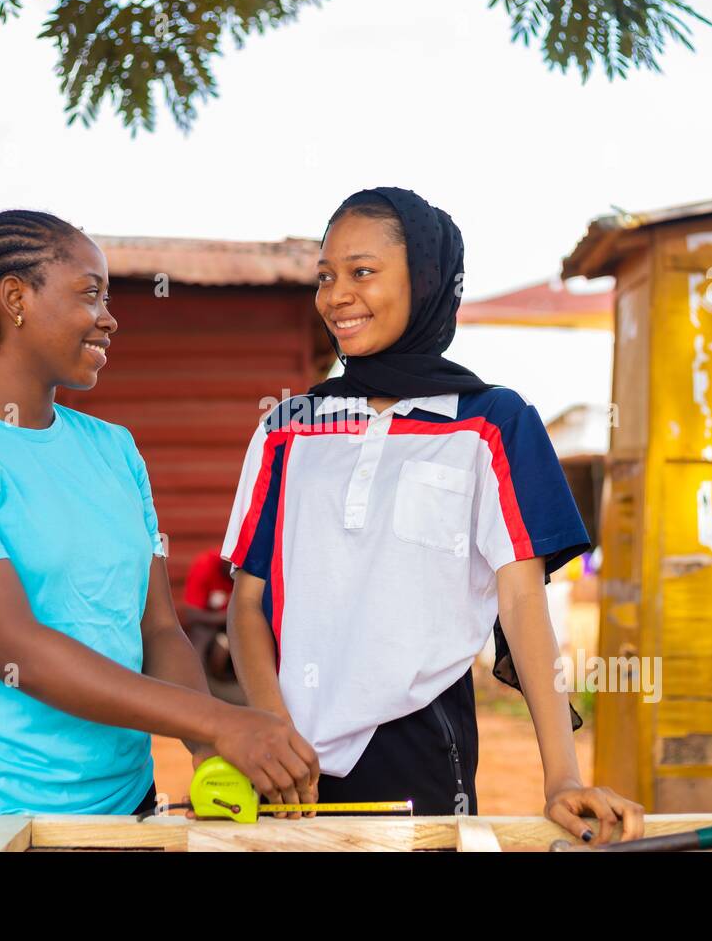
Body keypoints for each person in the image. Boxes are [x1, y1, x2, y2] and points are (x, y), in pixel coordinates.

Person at [0, 209, 318, 846]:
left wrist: (204, 748)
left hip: (123, 808)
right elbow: (16, 651)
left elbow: (158, 628)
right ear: (16, 299)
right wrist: (222, 721)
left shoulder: (115, 450)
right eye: (90, 294)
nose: (110, 316)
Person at [222, 188, 644, 841]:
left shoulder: (492, 422)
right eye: (326, 276)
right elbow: (248, 602)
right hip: (285, 765)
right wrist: (270, 729)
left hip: (416, 755)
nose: (336, 295)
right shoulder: (287, 428)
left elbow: (522, 603)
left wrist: (561, 776)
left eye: (362, 272)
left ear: (424, 281)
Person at [181, 548, 244, 704]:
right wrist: (225, 618)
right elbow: (191, 615)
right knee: (200, 634)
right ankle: (195, 687)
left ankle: (241, 684)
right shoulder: (206, 564)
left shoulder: (245, 572)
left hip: (234, 626)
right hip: (209, 626)